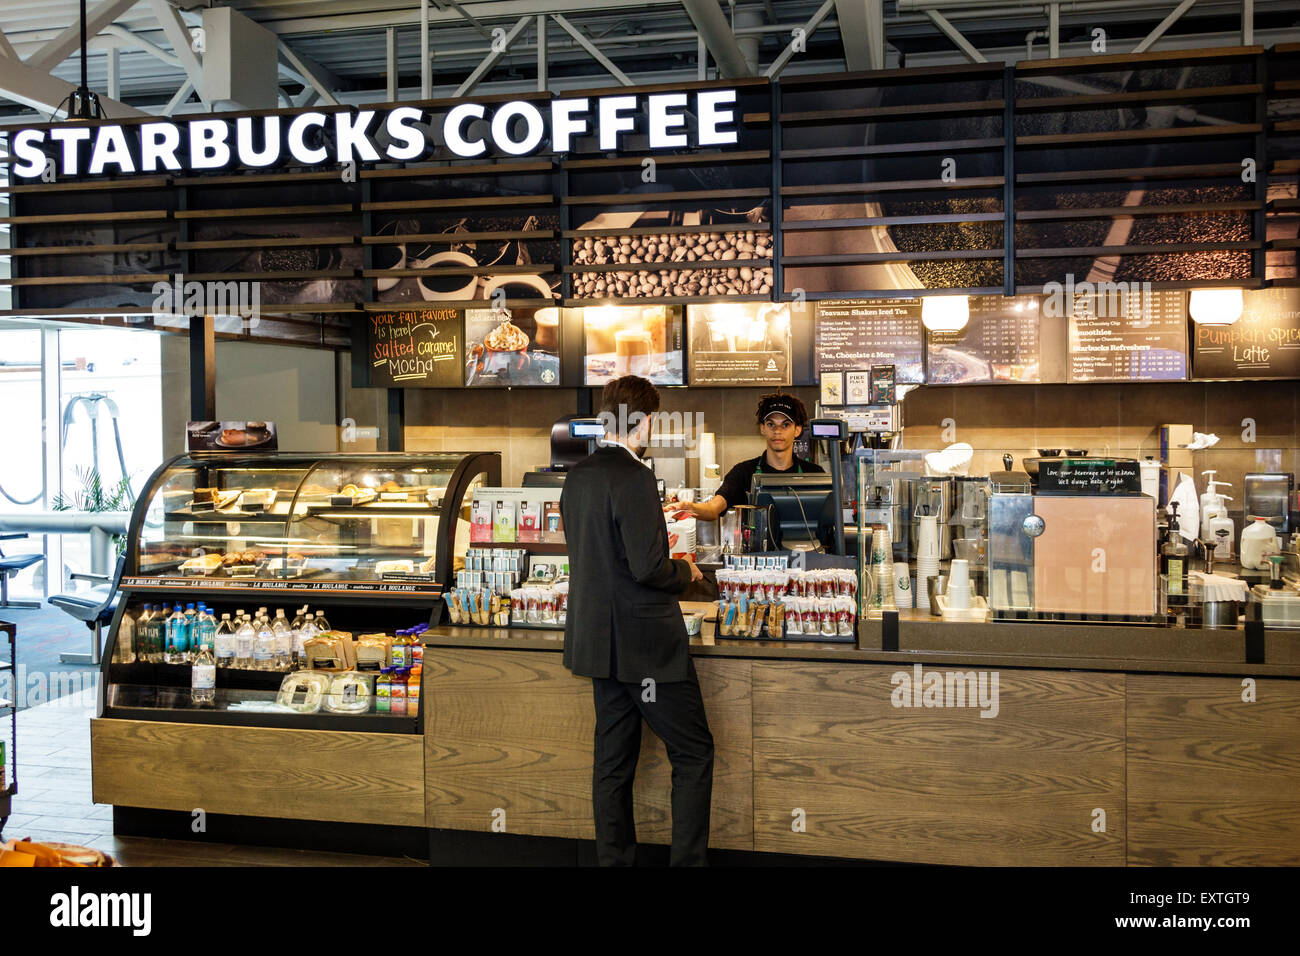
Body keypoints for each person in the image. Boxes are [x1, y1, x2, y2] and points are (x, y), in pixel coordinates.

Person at [560, 375, 713, 866]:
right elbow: (648, 568)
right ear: (644, 421)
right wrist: (685, 572)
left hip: (599, 645)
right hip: (646, 647)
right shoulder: (635, 476)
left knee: (613, 763)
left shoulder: (578, 476)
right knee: (693, 752)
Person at [670, 392, 825, 522]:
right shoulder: (743, 473)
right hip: (756, 550)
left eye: (785, 425)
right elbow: (713, 509)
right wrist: (689, 507)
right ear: (763, 429)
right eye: (771, 424)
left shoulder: (815, 475)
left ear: (797, 430)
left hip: (805, 549)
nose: (777, 431)